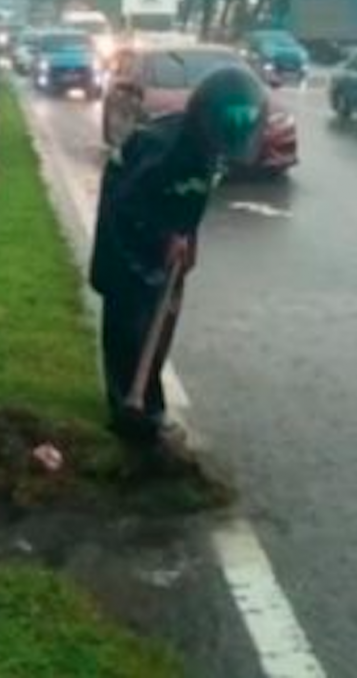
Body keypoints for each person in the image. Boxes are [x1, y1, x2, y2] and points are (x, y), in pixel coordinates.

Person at [89, 64, 267, 446]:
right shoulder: (161, 148)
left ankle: (149, 403)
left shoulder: (207, 147)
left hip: (165, 243)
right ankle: (129, 412)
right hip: (126, 242)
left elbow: (189, 197)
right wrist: (163, 235)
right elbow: (126, 205)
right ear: (204, 120)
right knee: (129, 327)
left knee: (159, 322)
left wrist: (184, 236)